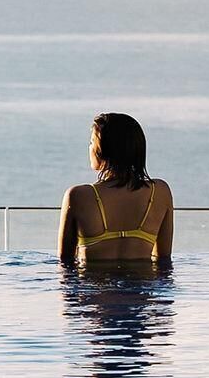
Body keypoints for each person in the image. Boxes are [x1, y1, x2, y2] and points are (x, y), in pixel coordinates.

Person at [60, 111, 174, 274]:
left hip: (94, 293)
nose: (90, 147)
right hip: (141, 294)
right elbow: (163, 262)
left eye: (92, 142)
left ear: (102, 149)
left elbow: (65, 265)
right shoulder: (160, 192)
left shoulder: (78, 196)